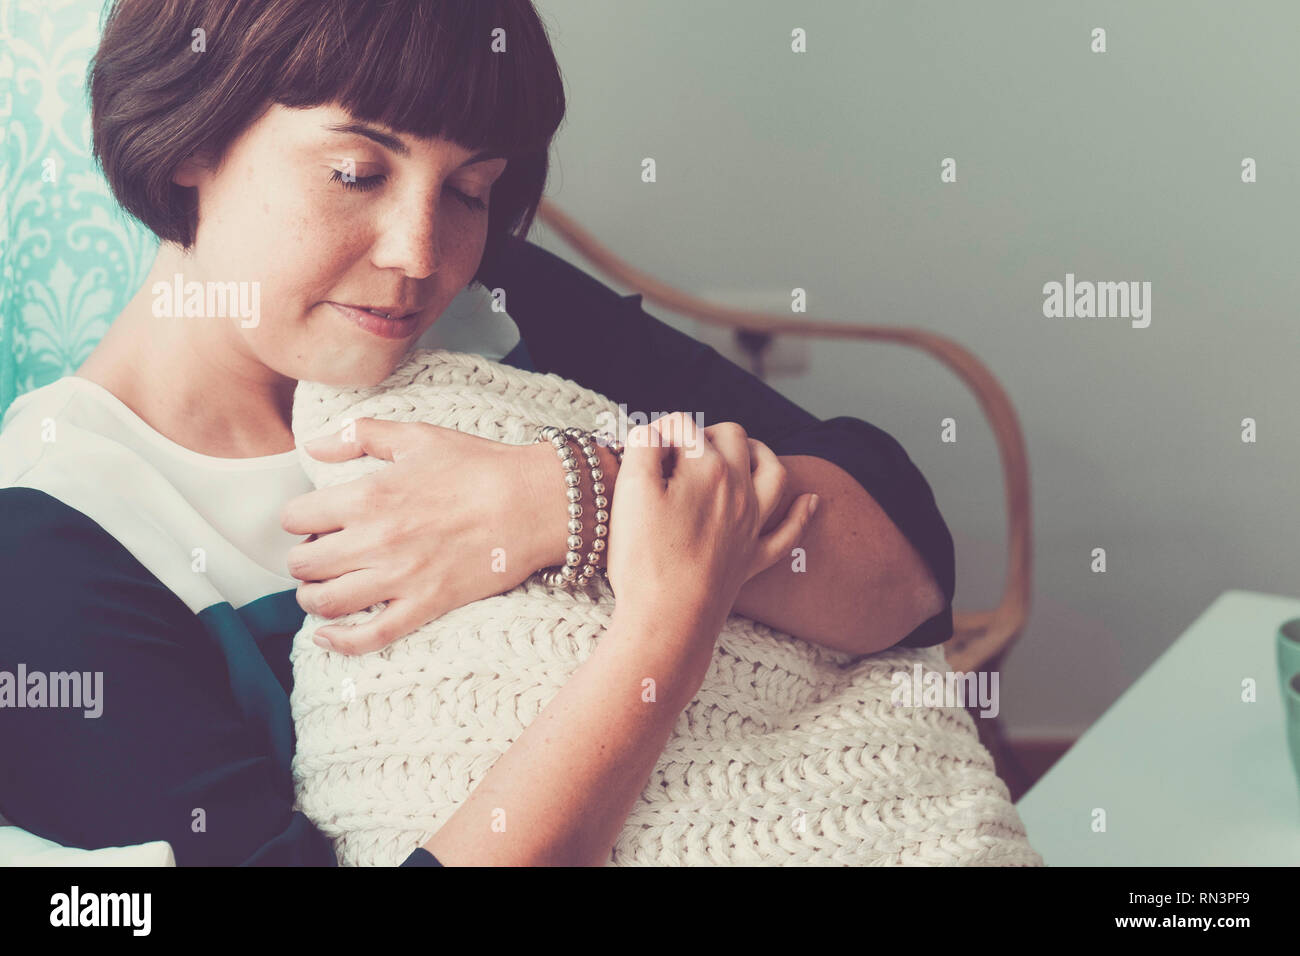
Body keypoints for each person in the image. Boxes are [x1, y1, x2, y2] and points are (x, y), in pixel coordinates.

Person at [0, 0, 953, 866]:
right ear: (184, 139)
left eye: (470, 188)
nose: (419, 254)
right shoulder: (52, 549)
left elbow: (905, 577)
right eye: (356, 172)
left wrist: (558, 501)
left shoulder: (496, 312)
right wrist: (662, 635)